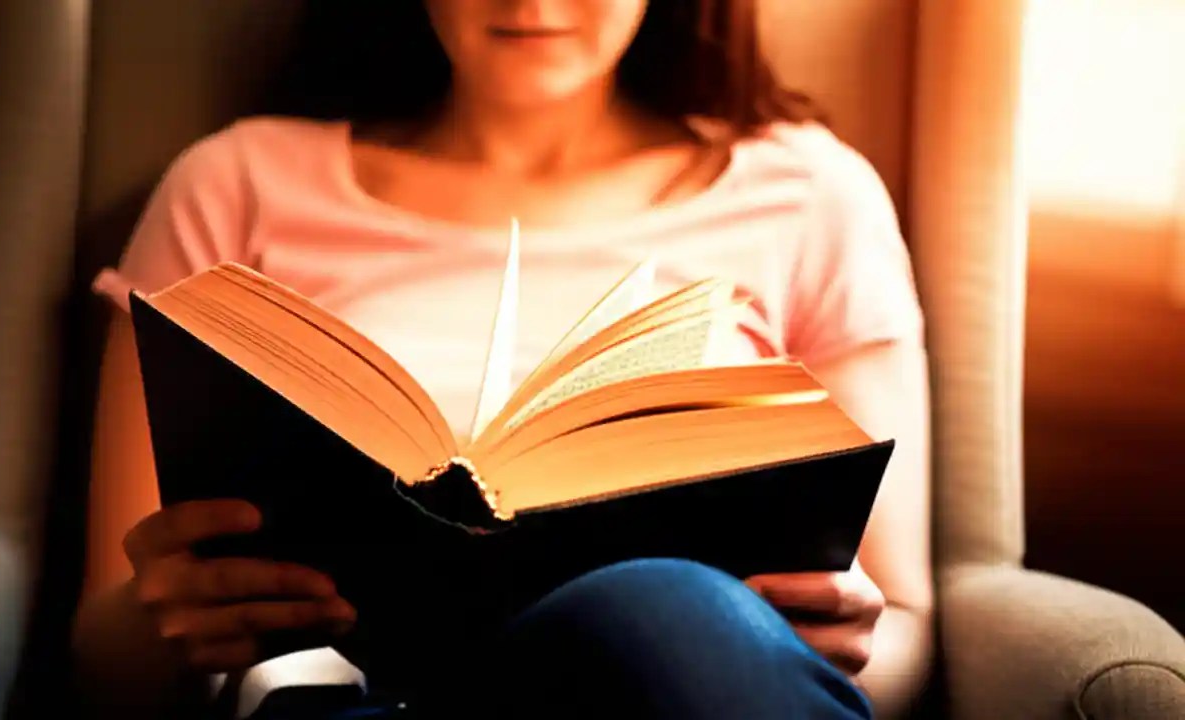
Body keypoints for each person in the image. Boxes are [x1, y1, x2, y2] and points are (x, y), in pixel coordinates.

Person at [71, 1, 934, 718]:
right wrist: (165, 625)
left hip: (684, 684)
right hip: (340, 699)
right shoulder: (234, 185)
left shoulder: (812, 195)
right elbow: (103, 654)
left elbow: (902, 625)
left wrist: (836, 638)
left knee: (669, 615)